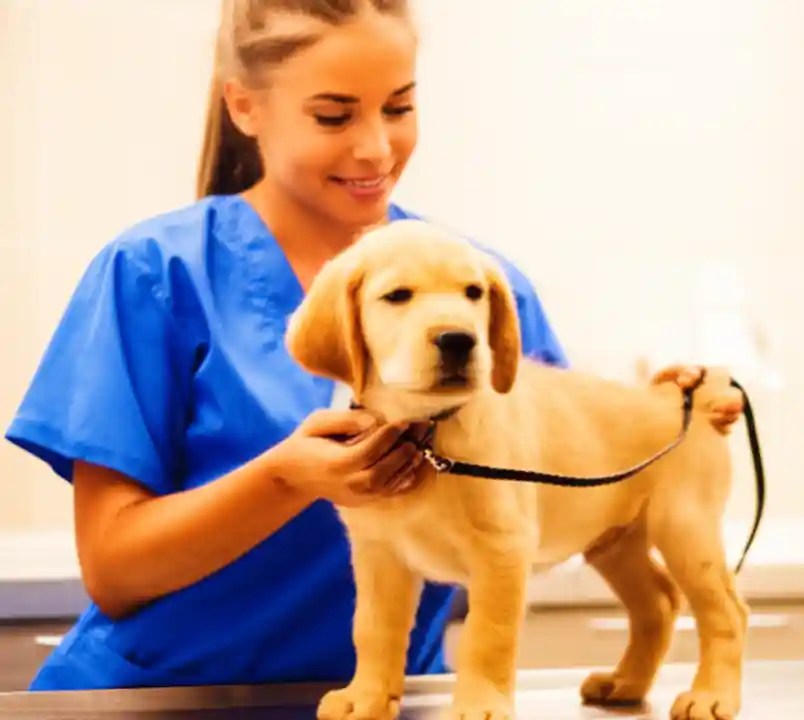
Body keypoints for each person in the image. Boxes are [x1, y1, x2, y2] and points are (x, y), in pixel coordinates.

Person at [4, 0, 744, 692]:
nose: (375, 146)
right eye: (333, 115)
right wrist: (287, 480)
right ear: (244, 107)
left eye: (400, 107)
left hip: (401, 698)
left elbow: (540, 502)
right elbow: (112, 569)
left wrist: (661, 418)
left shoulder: (483, 288)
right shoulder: (155, 276)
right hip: (166, 697)